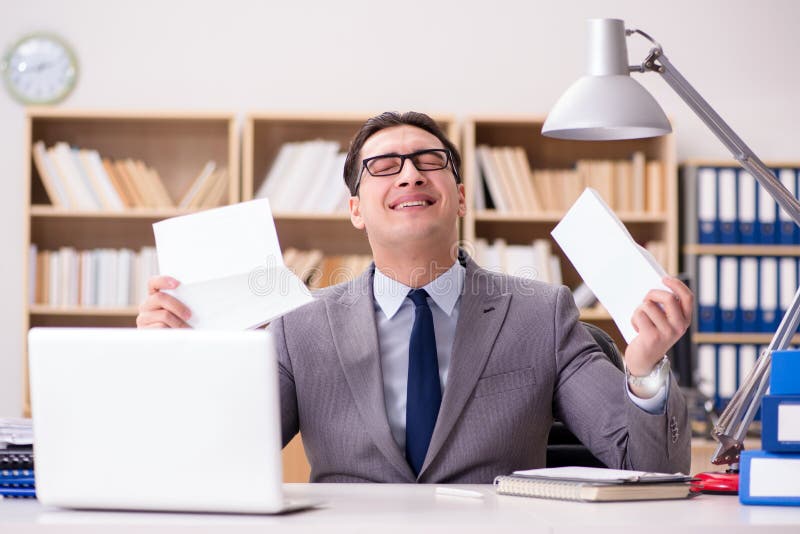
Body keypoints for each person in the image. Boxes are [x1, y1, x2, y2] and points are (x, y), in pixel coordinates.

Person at [137, 111, 693, 483]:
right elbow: (218, 462)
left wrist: (645, 368)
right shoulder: (298, 326)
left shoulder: (542, 314)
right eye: (383, 167)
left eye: (429, 161)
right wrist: (176, 363)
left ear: (461, 198)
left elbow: (651, 467)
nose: (409, 175)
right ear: (356, 209)